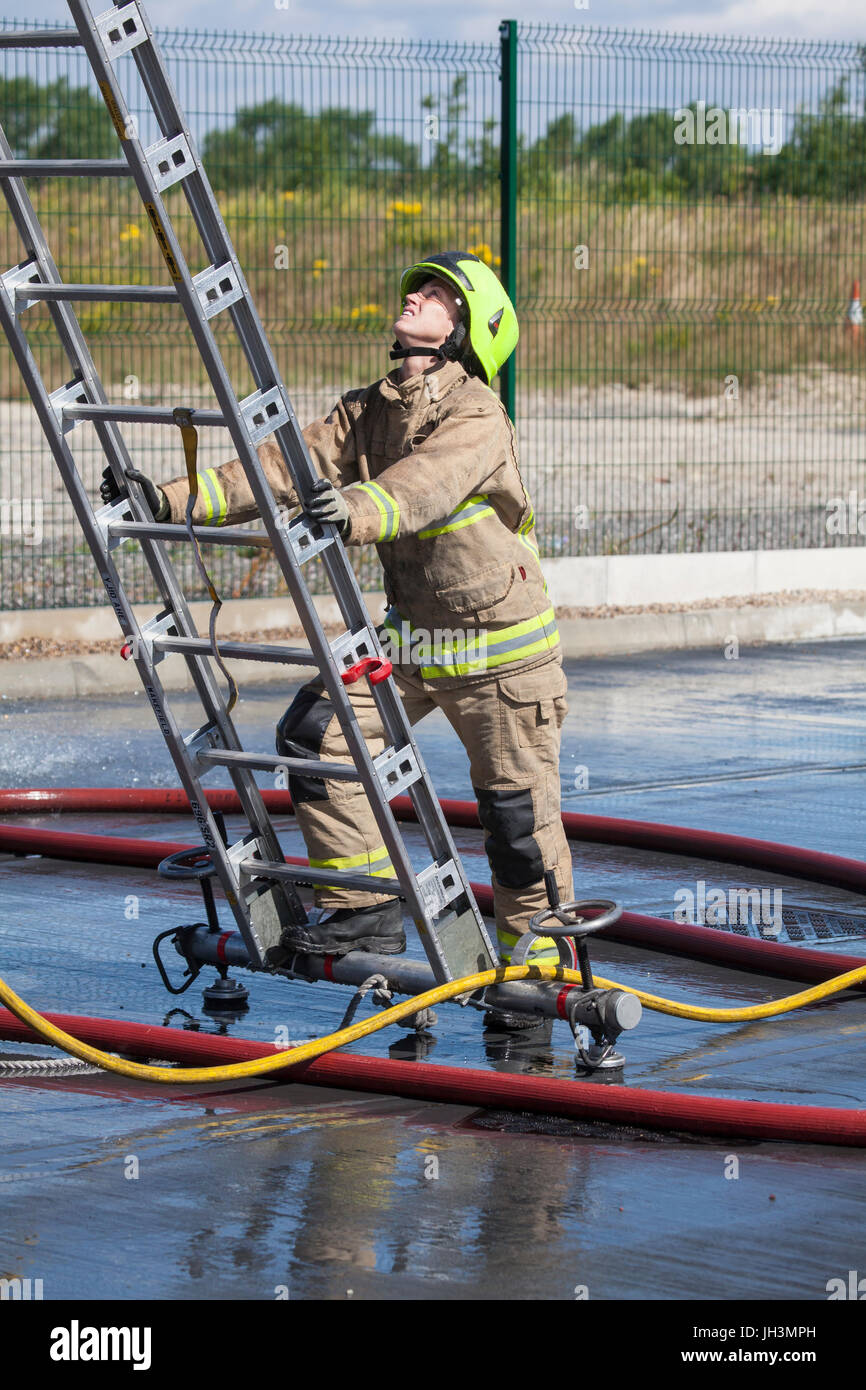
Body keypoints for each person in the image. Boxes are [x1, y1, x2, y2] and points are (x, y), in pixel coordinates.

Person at [102, 251, 572, 968]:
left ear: (466, 331)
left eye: (438, 293)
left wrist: (349, 507)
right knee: (316, 734)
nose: (415, 296)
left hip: (501, 656)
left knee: (515, 823)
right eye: (417, 286)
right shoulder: (370, 408)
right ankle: (365, 912)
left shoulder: (477, 413)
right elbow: (278, 469)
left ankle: (539, 974)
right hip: (413, 641)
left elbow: (423, 487)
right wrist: (166, 499)